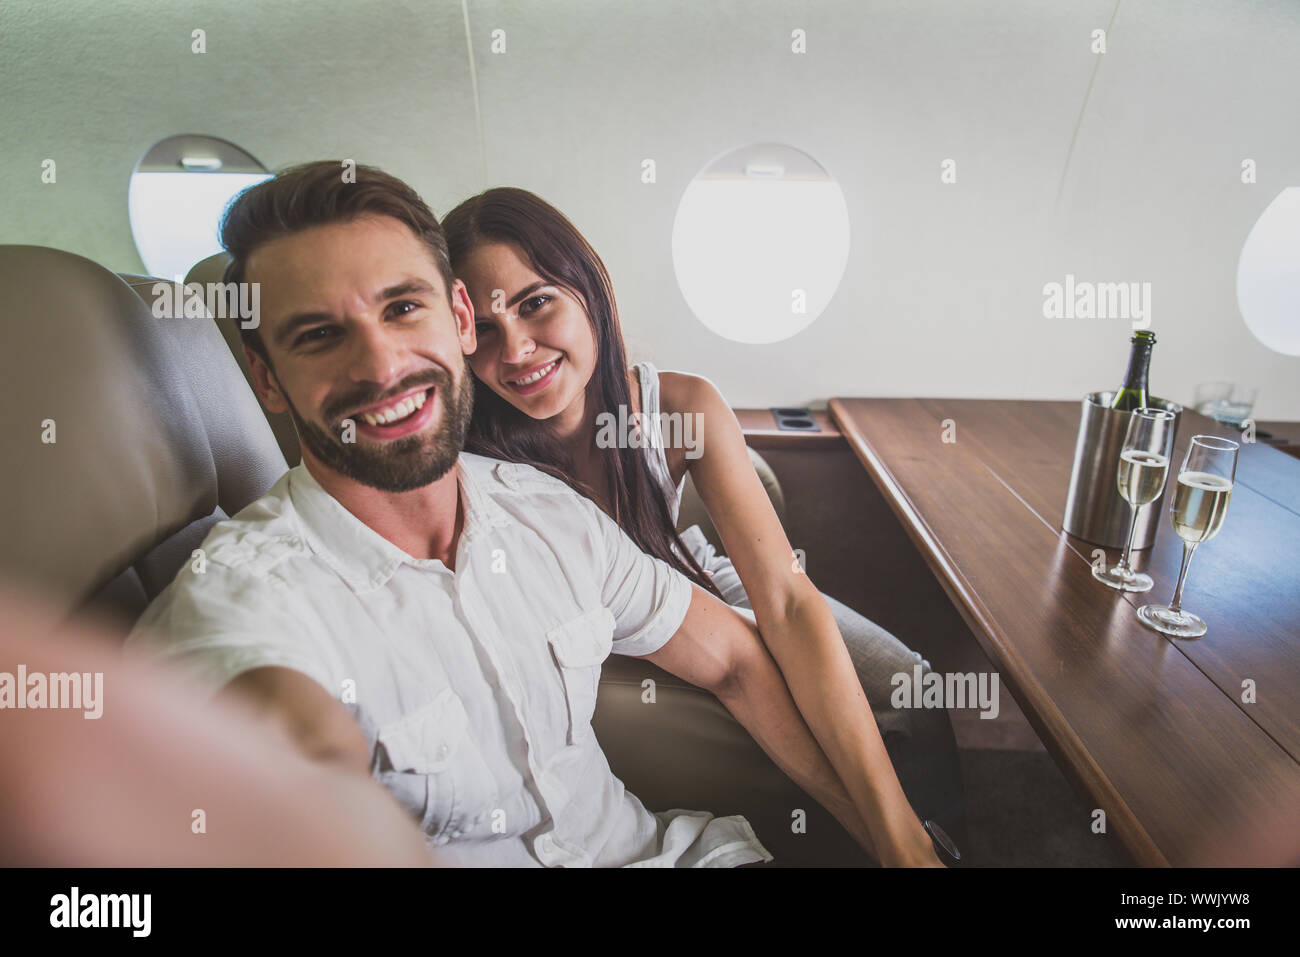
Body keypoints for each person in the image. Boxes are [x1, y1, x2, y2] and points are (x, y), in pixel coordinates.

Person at [124, 161, 944, 867]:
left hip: (668, 843)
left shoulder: (545, 509)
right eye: (317, 334)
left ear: (450, 314)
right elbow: (264, 725)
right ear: (267, 381)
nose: (379, 364)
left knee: (911, 689)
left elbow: (739, 655)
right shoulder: (244, 601)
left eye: (401, 308)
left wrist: (893, 843)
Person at [442, 187, 966, 850]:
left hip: (695, 567)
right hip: (607, 629)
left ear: (588, 289)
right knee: (777, 679)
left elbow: (785, 599)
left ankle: (935, 840)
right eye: (484, 329)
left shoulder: (682, 406)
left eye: (535, 302)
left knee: (906, 687)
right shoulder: (473, 457)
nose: (515, 349)